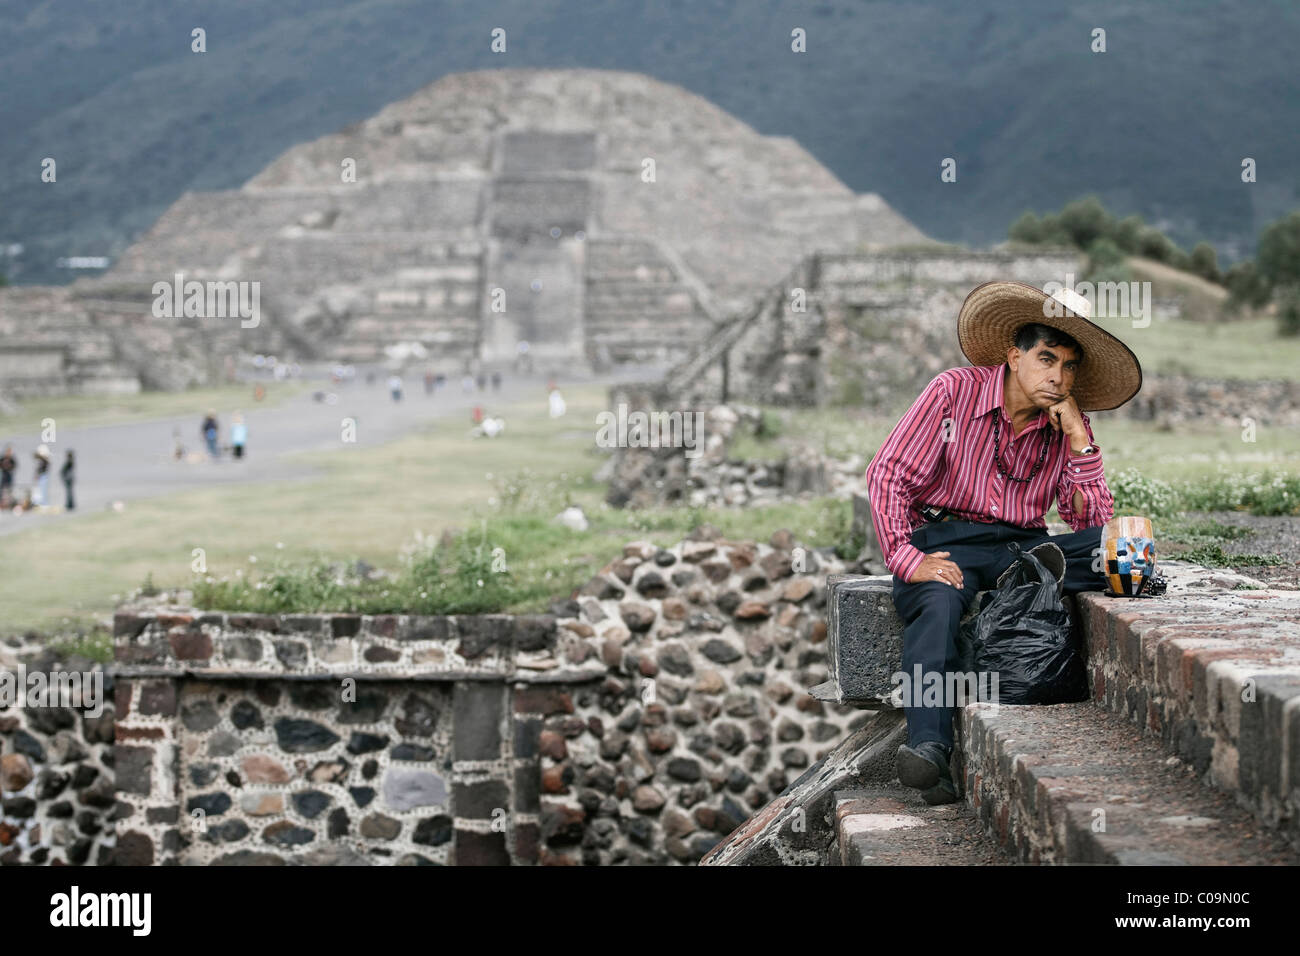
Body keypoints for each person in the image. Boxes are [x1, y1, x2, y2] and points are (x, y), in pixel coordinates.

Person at [863, 281, 1142, 805]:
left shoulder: (1065, 422)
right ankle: (929, 748)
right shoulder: (953, 392)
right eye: (1046, 359)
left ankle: (1038, 579)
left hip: (1026, 548)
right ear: (1015, 356)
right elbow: (888, 474)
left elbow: (1087, 517)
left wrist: (1080, 442)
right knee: (939, 604)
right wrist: (909, 558)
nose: (1058, 377)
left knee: (1123, 547)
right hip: (952, 538)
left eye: (1069, 366)